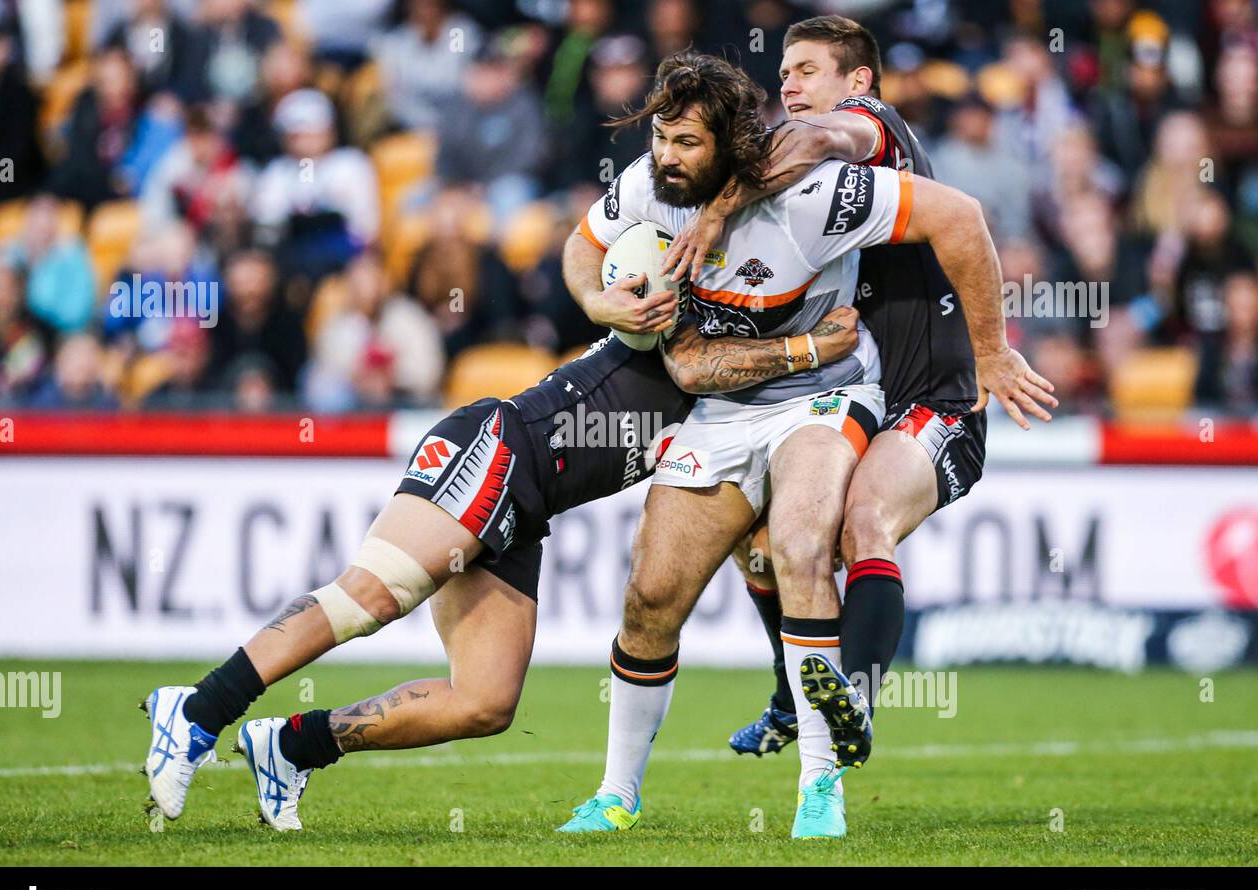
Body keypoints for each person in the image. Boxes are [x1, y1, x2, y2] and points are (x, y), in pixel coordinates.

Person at [140, 114, 862, 827]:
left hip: (527, 507)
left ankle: (291, 746)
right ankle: (200, 710)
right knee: (372, 596)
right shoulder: (681, 277)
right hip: (500, 447)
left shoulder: (752, 371)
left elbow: (746, 525)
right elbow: (680, 351)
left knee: (485, 703)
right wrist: (813, 351)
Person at [557, 40, 1054, 840]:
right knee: (652, 593)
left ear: (732, 147)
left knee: (800, 543)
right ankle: (617, 794)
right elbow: (582, 246)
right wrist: (600, 303)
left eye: (687, 143)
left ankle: (819, 786)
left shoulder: (822, 184)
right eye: (660, 138)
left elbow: (956, 213)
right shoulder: (652, 186)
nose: (665, 159)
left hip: (829, 396)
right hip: (728, 405)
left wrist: (993, 350)